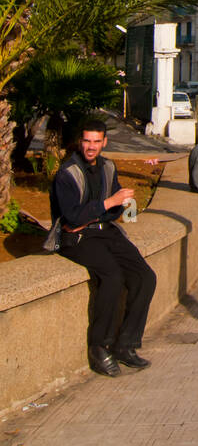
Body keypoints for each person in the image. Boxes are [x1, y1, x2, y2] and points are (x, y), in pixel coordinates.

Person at [51, 119, 157, 377]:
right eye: (87, 141)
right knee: (112, 276)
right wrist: (107, 204)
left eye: (96, 142)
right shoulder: (67, 173)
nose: (91, 147)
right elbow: (72, 219)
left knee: (145, 277)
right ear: (80, 141)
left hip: (105, 232)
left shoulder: (108, 167)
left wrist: (114, 205)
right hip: (77, 240)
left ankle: (126, 345)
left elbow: (115, 207)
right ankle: (99, 347)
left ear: (104, 142)